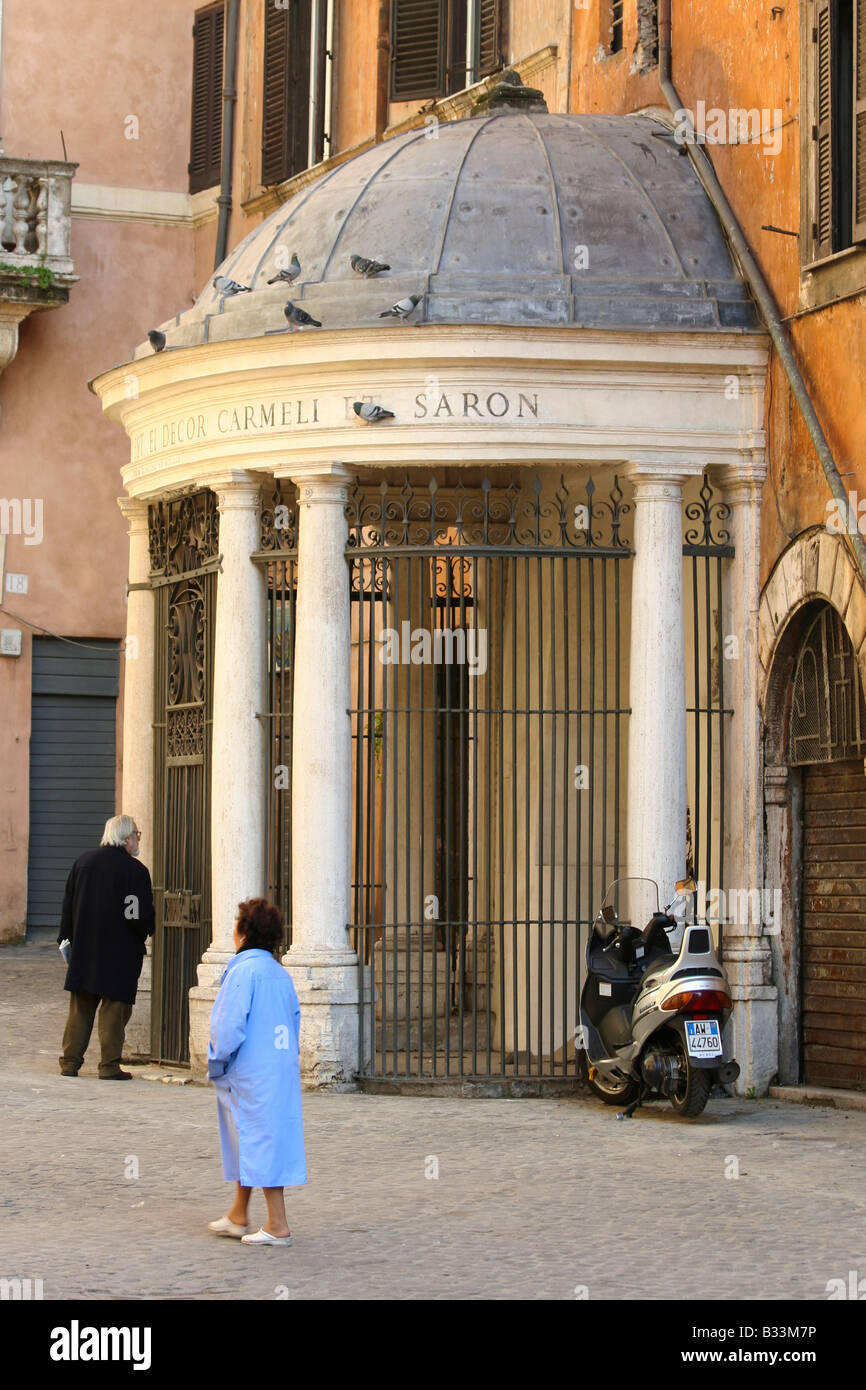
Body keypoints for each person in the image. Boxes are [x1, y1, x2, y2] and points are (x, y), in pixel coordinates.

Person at [207, 898, 306, 1246]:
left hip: (248, 1073)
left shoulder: (242, 972)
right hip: (277, 1071)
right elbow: (294, 1023)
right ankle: (238, 1214)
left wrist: (217, 1061)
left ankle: (278, 1224)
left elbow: (227, 1027)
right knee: (249, 1139)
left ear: (243, 932)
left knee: (256, 1139)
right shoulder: (280, 974)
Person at [57, 814, 155, 1079]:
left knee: (80, 1008)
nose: (138, 839)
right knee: (115, 1009)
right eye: (136, 834)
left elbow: (68, 907)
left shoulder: (83, 863)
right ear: (126, 838)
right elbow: (137, 914)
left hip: (85, 949)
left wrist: (66, 941)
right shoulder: (135, 871)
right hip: (120, 952)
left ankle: (70, 1062)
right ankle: (109, 1065)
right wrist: (145, 930)